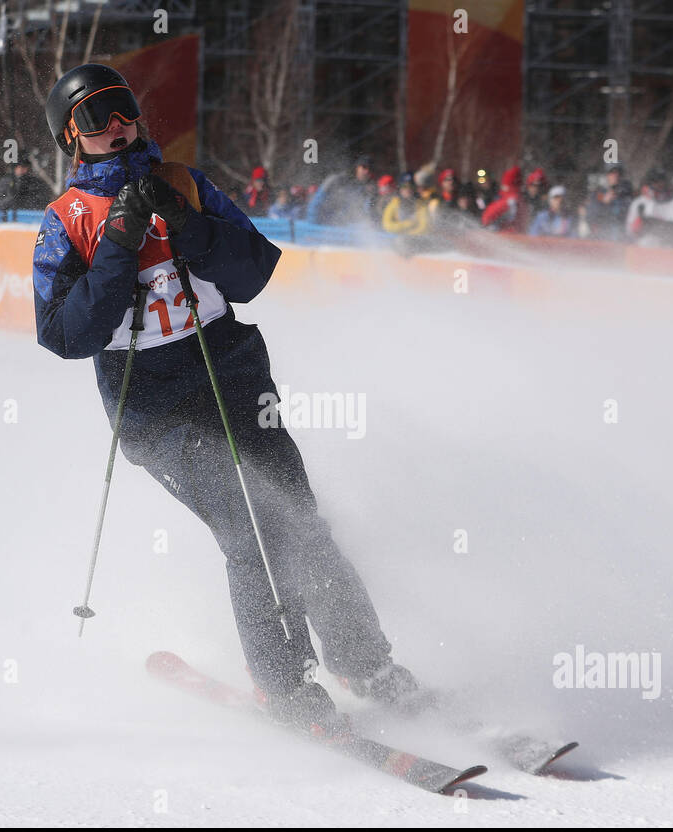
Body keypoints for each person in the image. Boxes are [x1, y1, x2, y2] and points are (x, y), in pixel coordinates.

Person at [32, 63, 418, 733]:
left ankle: (366, 662)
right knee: (251, 528)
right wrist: (121, 246)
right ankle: (285, 683)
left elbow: (253, 274)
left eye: (122, 107)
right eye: (96, 117)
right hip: (150, 401)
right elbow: (65, 334)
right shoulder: (67, 220)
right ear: (72, 135)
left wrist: (187, 224)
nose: (116, 125)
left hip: (232, 371)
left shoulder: (185, 182)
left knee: (299, 519)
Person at [305, 154, 376, 226]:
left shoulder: (365, 189)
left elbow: (363, 213)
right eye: (364, 167)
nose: (367, 171)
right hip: (321, 225)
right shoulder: (336, 180)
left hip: (341, 227)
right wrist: (314, 227)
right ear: (357, 167)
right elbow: (315, 205)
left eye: (370, 170)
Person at [480, 165, 527, 234]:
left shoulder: (510, 199)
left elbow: (487, 216)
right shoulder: (520, 200)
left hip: (505, 234)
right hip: (513, 233)